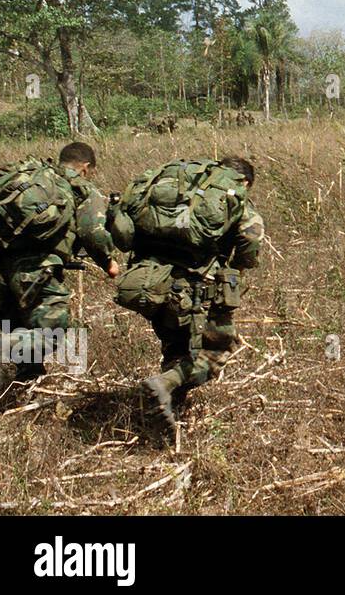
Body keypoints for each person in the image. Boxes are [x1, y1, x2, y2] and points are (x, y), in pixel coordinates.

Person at [111, 156, 263, 427]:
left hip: (149, 281)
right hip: (195, 287)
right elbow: (250, 242)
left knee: (176, 345)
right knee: (214, 352)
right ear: (246, 182)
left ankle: (167, 410)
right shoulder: (234, 197)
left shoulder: (171, 186)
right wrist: (237, 268)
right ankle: (164, 383)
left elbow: (122, 229)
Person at [0, 142, 119, 397]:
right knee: (52, 332)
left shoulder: (33, 177)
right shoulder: (79, 188)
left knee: (18, 329)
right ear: (86, 168)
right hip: (36, 271)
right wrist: (109, 262)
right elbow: (93, 232)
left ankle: (25, 385)